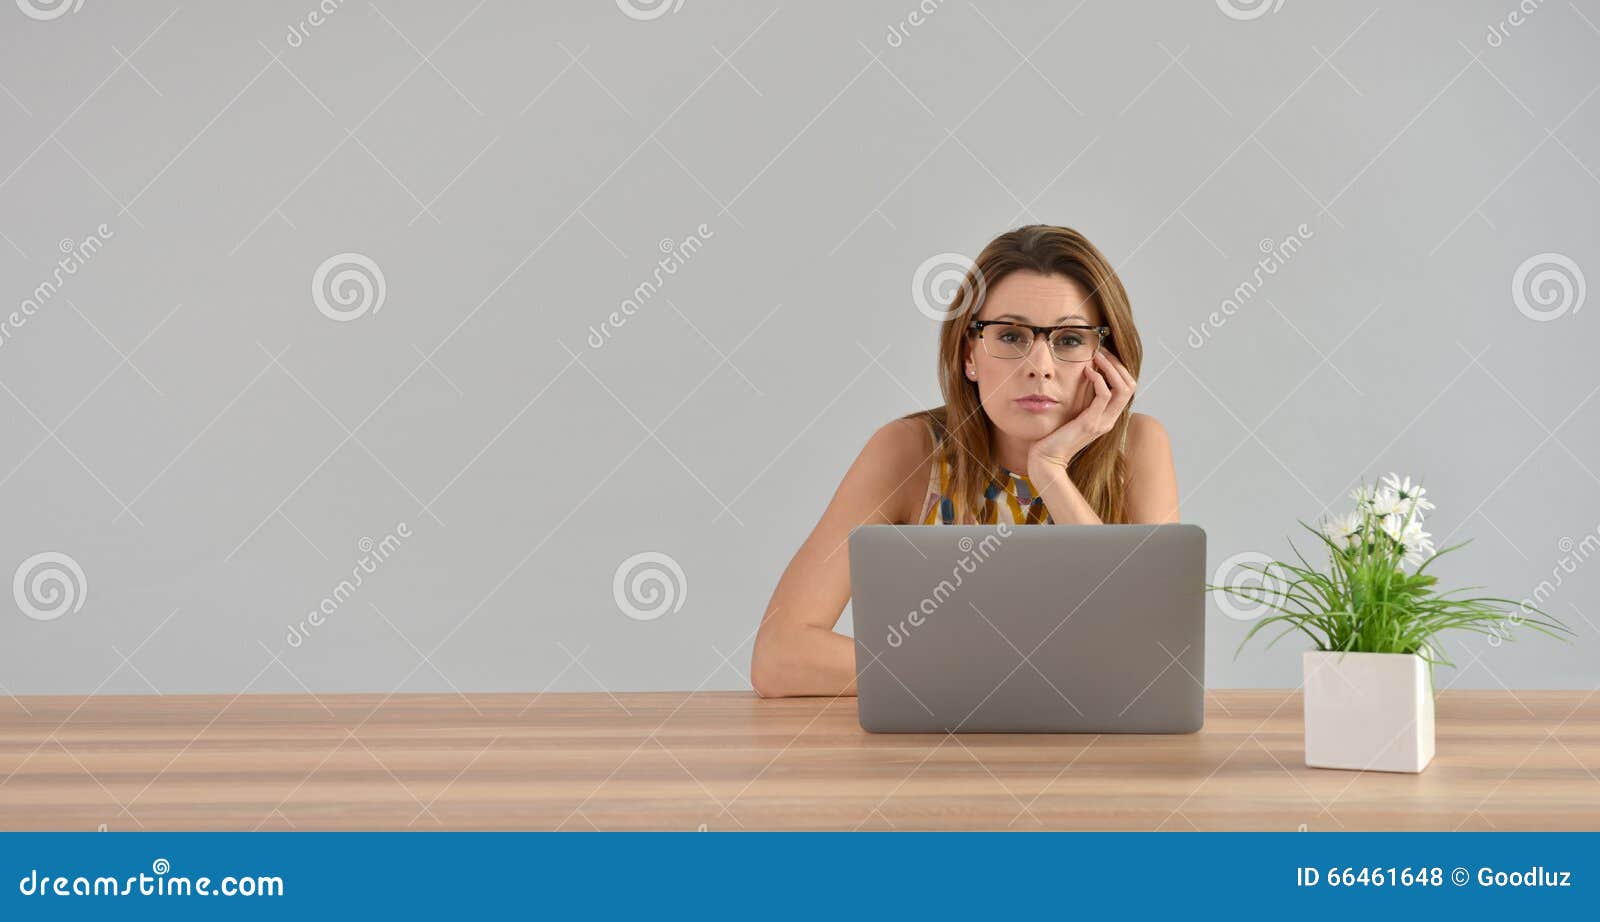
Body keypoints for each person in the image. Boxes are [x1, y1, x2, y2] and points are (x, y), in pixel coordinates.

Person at [750, 225, 1179, 698]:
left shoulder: (1137, 447)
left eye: (1070, 339)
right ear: (969, 355)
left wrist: (1050, 470)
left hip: (1092, 759)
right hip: (936, 758)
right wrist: (993, 678)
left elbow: (1156, 661)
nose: (1040, 365)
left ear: (1108, 358)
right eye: (1012, 336)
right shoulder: (908, 451)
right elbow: (780, 657)